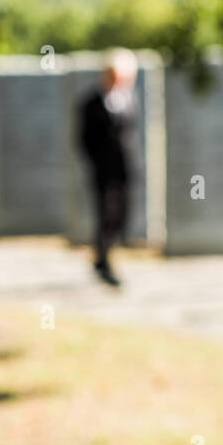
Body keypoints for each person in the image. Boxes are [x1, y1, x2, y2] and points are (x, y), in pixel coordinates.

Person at [78, 49, 139, 287]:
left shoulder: (128, 99)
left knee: (121, 214)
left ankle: (106, 254)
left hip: (124, 170)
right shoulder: (91, 103)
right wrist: (97, 163)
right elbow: (84, 139)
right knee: (105, 215)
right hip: (103, 171)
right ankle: (103, 259)